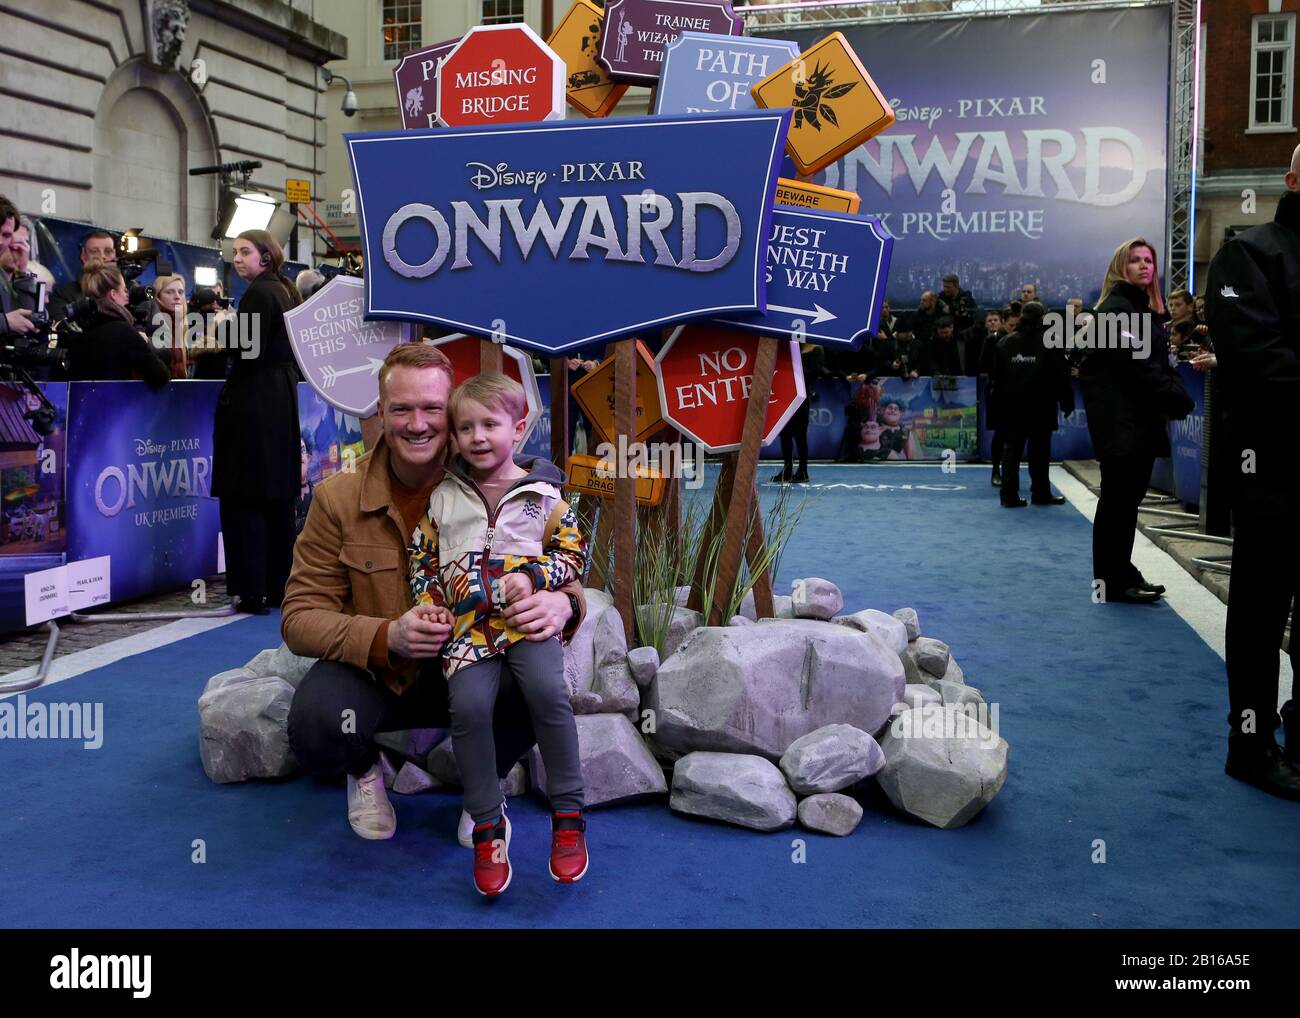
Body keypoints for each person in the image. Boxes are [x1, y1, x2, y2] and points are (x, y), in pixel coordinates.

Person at [281, 343, 586, 850]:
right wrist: (387, 635)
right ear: (382, 412)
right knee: (317, 725)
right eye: (402, 409)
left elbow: (564, 562)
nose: (417, 424)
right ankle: (363, 770)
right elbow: (298, 618)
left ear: (452, 412)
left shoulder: (508, 478)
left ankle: (483, 791)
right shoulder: (337, 498)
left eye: (431, 409)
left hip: (476, 659)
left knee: (542, 690)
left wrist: (567, 603)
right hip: (385, 674)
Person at [408, 372, 588, 896]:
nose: (478, 437)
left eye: (490, 424)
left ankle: (569, 816)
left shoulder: (543, 496)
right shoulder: (443, 496)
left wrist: (536, 578)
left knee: (549, 695)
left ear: (520, 426)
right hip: (467, 631)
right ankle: (486, 825)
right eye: (465, 428)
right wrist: (431, 604)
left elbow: (575, 554)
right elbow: (422, 558)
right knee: (467, 710)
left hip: (526, 625)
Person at [1205, 142, 1300, 801]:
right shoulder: (1250, 250)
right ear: (1293, 177)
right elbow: (1255, 357)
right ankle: (1251, 741)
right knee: (1262, 609)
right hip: (1274, 463)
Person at [1078, 238, 1193, 605]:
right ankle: (1114, 580)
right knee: (1119, 502)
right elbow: (1143, 370)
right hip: (1124, 424)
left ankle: (1120, 574)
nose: (1145, 266)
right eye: (1135, 261)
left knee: (1123, 503)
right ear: (1120, 267)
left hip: (1130, 423)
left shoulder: (1134, 309)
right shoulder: (1119, 310)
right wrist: (1180, 396)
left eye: (1149, 260)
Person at [212, 230, 302, 615]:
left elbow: (247, 348)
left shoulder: (260, 294)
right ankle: (277, 584)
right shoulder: (280, 290)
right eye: (235, 252)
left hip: (255, 401)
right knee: (275, 495)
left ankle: (252, 588)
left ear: (266, 256)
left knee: (246, 492)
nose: (237, 258)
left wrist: (221, 328)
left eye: (245, 252)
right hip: (276, 398)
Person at [990, 301, 1073, 507]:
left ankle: (1008, 495)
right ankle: (1041, 492)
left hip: (1013, 406)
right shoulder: (1051, 342)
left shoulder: (1004, 343)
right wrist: (1066, 402)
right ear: (1042, 318)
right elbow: (1060, 376)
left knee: (1012, 450)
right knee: (1040, 453)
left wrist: (998, 407)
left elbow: (996, 380)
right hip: (1041, 406)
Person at [63, 264, 170, 387]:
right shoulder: (124, 332)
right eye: (124, 290)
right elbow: (160, 377)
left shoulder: (77, 331)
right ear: (113, 294)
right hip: (116, 403)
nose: (127, 295)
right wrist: (146, 344)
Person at [772, 342, 826, 483]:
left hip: (801, 396)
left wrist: (794, 367)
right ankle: (787, 469)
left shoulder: (817, 349)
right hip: (786, 396)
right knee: (784, 434)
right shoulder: (793, 347)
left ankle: (803, 471)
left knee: (800, 435)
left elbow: (813, 374)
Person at [48, 230, 117, 321]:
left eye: (108, 251)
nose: (102, 256)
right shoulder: (62, 294)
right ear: (83, 256)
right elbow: (59, 327)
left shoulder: (130, 291)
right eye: (94, 251)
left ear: (115, 254)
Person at [150, 274, 190, 379]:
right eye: (169, 292)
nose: (177, 296)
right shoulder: (151, 323)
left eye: (180, 292)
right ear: (158, 296)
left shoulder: (180, 324)